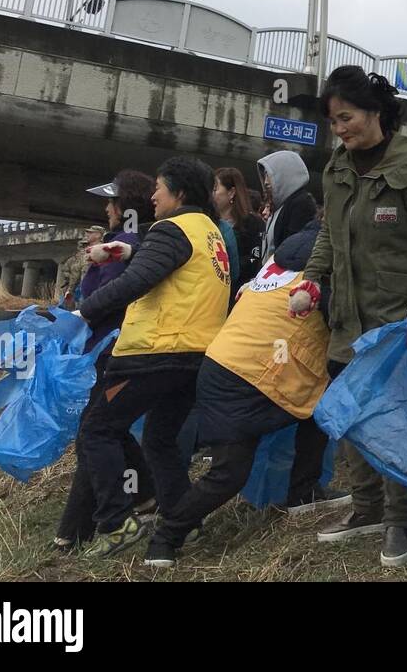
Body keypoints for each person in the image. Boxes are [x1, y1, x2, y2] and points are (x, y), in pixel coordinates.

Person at [296, 67, 407, 567]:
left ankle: (399, 521)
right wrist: (313, 278)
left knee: (398, 422)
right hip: (348, 318)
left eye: (347, 117)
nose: (340, 128)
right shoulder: (336, 169)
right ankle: (364, 508)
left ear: (374, 112)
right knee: (352, 418)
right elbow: (328, 234)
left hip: (399, 319)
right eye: (334, 121)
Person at [142, 220, 344, 566]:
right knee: (228, 474)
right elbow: (344, 318)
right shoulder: (327, 270)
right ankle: (166, 536)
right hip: (250, 375)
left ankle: (304, 491)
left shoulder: (278, 265)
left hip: (226, 363)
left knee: (319, 409)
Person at [74, 156, 230, 557]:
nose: (153, 196)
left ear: (178, 193)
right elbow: (171, 269)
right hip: (196, 355)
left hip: (155, 353)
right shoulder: (209, 232)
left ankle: (115, 521)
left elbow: (136, 283)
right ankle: (183, 521)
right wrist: (128, 252)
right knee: (160, 440)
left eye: (159, 188)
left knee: (98, 429)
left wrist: (82, 312)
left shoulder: (172, 229)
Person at [53, 172, 158, 550]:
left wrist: (75, 317)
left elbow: (106, 299)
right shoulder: (127, 242)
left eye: (111, 202)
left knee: (93, 434)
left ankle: (93, 526)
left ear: (126, 205)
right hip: (110, 349)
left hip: (111, 351)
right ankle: (145, 494)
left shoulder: (123, 246)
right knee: (106, 429)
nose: (106, 208)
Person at [257, 150, 317, 261]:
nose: (265, 182)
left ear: (284, 173)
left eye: (269, 175)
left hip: (282, 274)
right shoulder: (278, 205)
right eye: (264, 176)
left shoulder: (301, 203)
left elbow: (291, 248)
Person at [214, 167, 266, 293]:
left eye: (215, 189)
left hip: (237, 291)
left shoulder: (254, 223)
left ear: (231, 192)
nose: (211, 193)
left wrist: (226, 266)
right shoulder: (207, 220)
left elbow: (255, 259)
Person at [55, 227, 101, 309]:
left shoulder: (100, 251)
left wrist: (71, 289)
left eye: (91, 233)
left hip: (91, 289)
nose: (88, 235)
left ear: (98, 235)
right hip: (82, 288)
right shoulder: (81, 255)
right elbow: (74, 272)